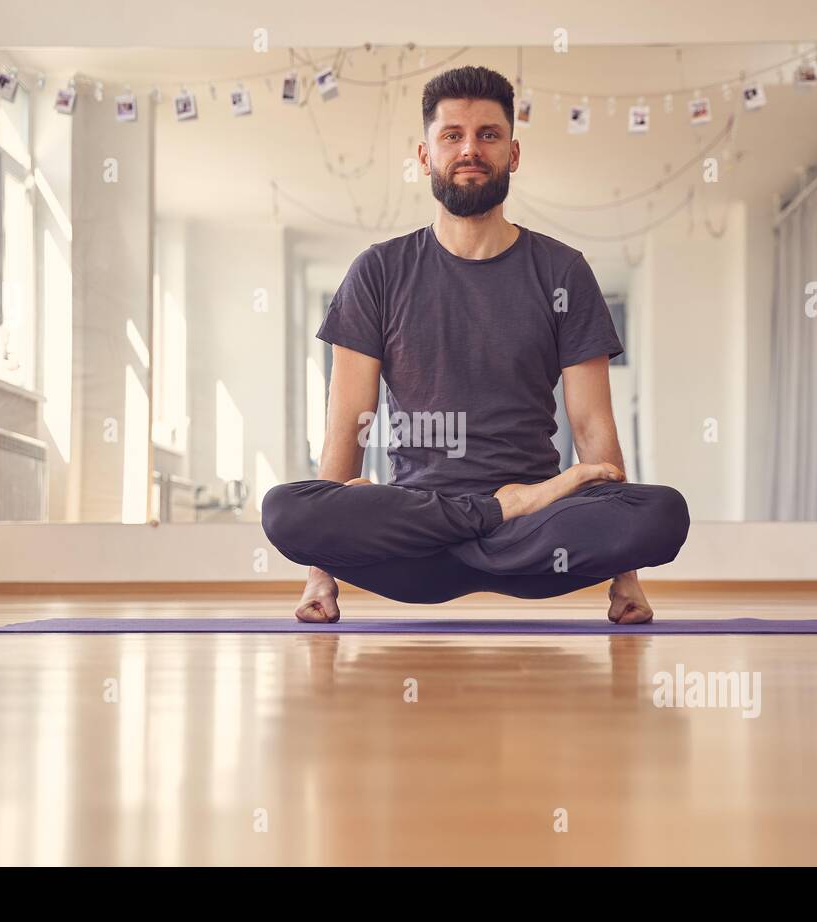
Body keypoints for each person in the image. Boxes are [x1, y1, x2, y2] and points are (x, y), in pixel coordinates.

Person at [262, 65, 690, 624]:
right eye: (452, 136)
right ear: (424, 156)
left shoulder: (562, 271)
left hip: (536, 539)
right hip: (413, 547)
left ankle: (501, 513)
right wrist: (319, 572)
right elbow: (349, 423)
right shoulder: (378, 272)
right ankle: (495, 510)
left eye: (488, 135)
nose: (470, 149)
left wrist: (624, 574)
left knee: (661, 514)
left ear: (513, 153)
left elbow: (592, 426)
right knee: (286, 510)